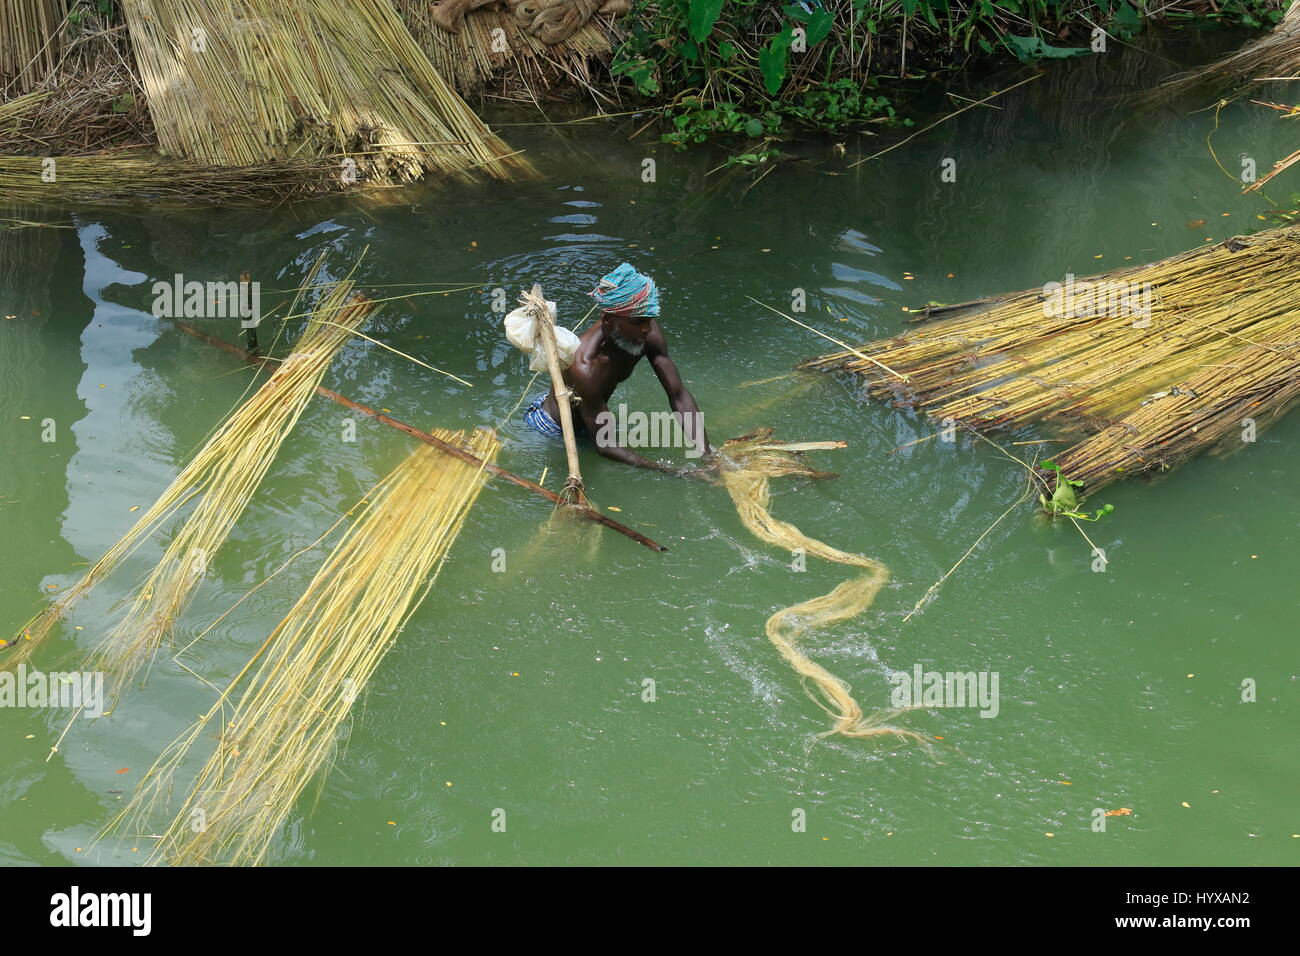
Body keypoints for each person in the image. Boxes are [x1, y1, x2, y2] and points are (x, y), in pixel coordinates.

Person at [523, 263, 713, 473]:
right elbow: (606, 446)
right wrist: (674, 471)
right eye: (638, 321)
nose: (647, 328)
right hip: (554, 428)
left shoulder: (647, 332)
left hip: (592, 413)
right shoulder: (585, 367)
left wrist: (707, 455)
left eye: (649, 319)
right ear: (608, 319)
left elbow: (678, 396)